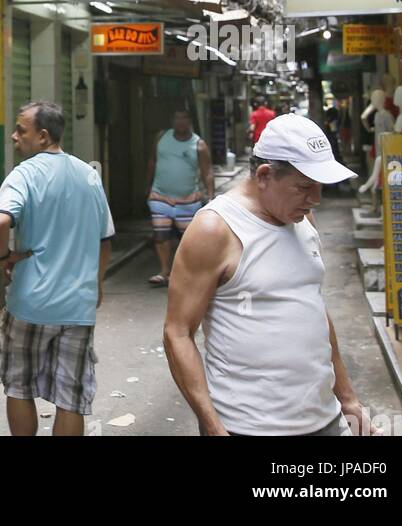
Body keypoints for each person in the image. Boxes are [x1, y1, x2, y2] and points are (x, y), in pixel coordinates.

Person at [163, 113, 376, 437]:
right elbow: (177, 334)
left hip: (325, 420)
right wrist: (213, 426)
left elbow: (313, 307)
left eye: (319, 187)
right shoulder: (215, 229)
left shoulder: (303, 218)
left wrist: (348, 400)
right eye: (305, 187)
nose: (315, 199)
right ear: (264, 175)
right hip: (248, 428)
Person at [0, 100, 114, 436]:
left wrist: (4, 258)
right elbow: (105, 242)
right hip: (77, 307)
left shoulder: (23, 174)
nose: (14, 137)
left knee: (19, 387)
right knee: (71, 398)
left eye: (21, 130)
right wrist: (97, 285)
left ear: (43, 136)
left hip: (29, 304)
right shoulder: (89, 174)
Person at [146, 107, 214, 286]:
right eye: (177, 118)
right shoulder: (161, 137)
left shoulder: (199, 144)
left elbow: (207, 172)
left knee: (189, 239)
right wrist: (147, 186)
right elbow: (152, 161)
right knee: (160, 236)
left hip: (188, 199)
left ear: (190, 121)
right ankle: (164, 271)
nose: (180, 122)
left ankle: (187, 271)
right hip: (160, 195)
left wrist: (212, 196)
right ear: (172, 121)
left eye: (184, 118)